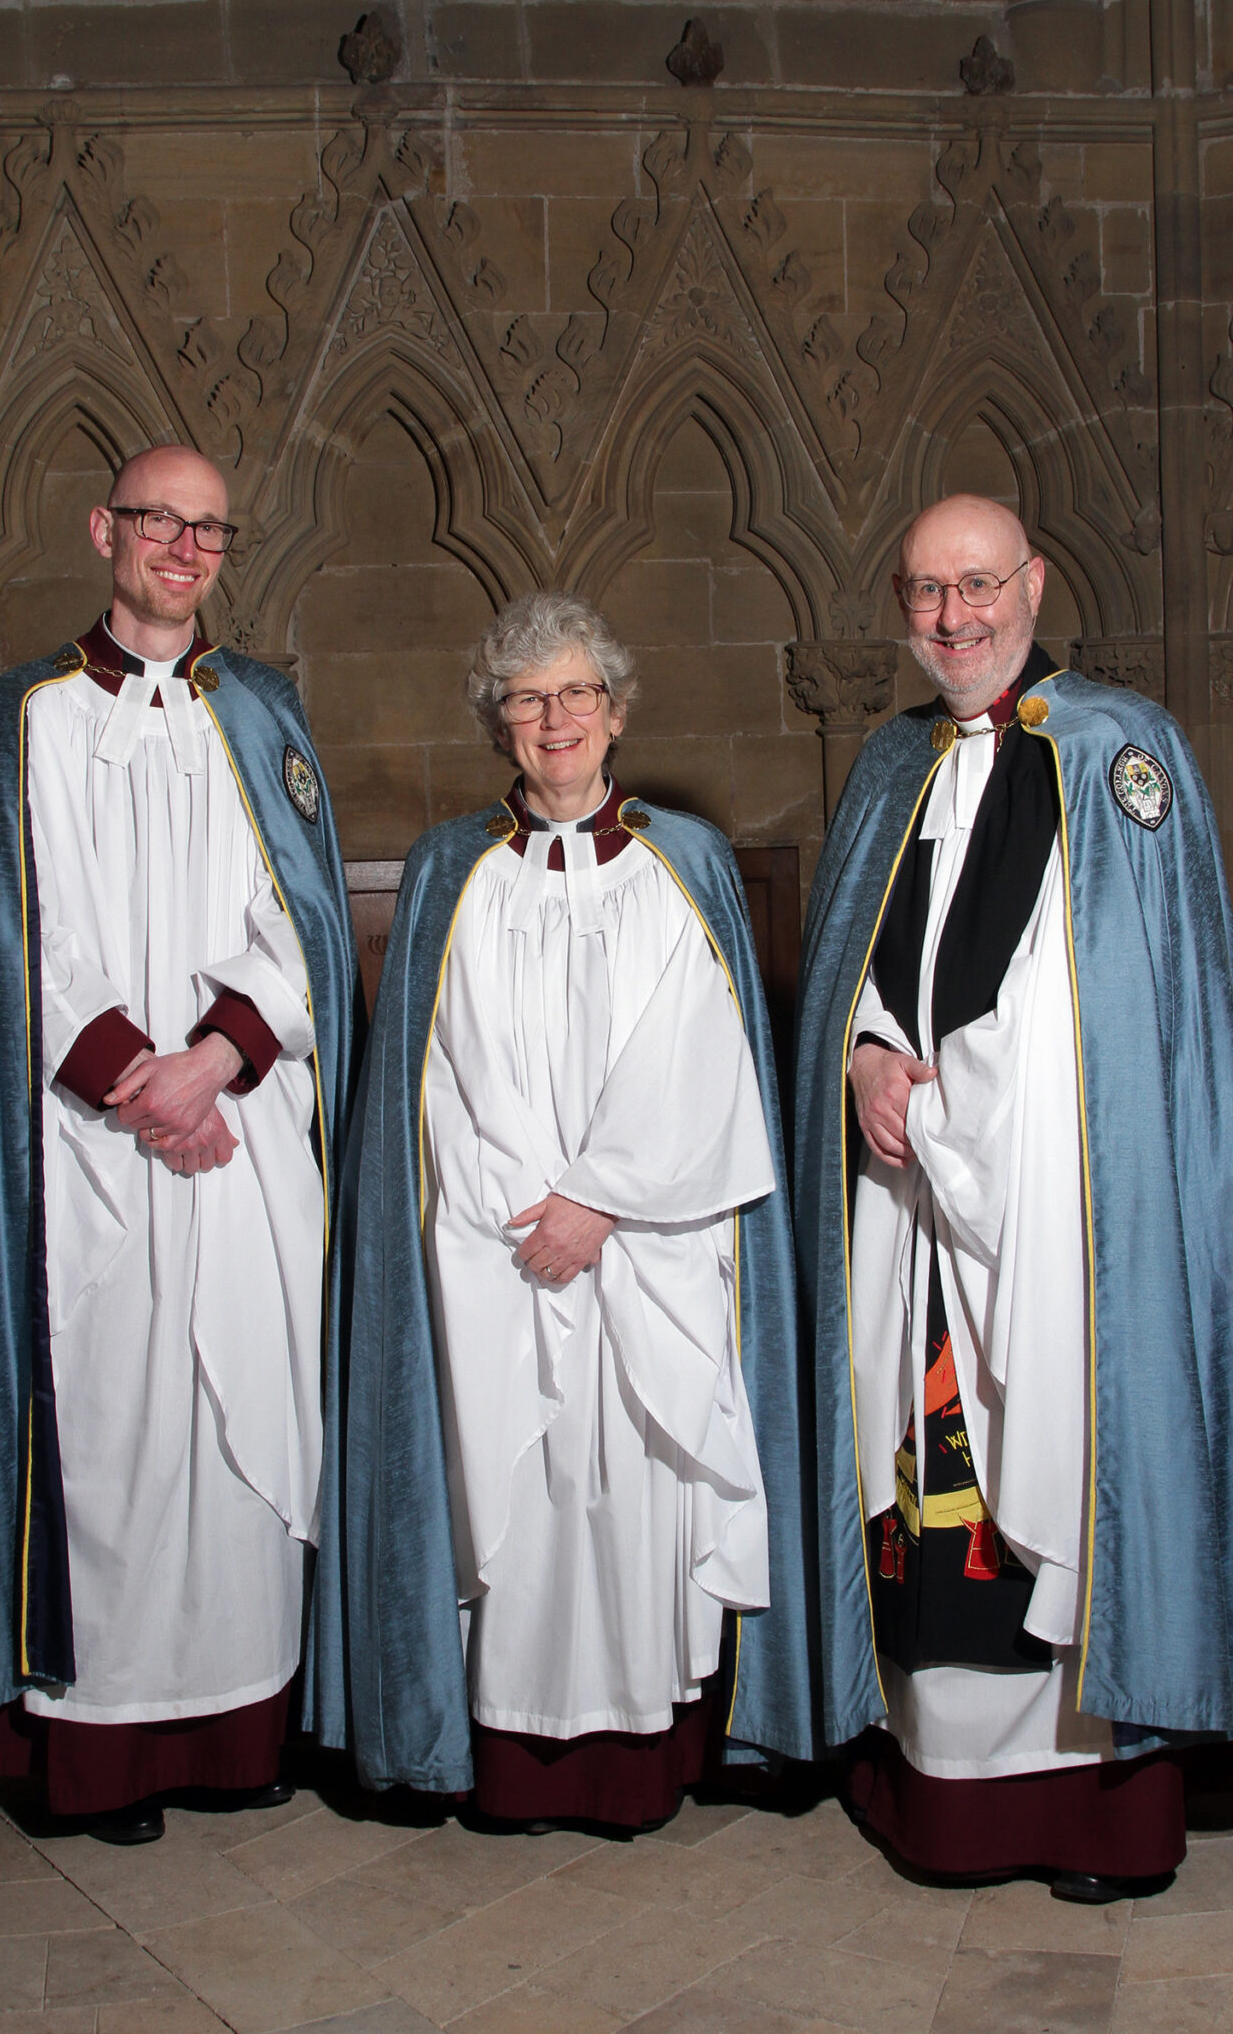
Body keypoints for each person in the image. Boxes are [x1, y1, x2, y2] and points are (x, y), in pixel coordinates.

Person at [793, 494, 1233, 1899]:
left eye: (979, 586)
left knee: (1076, 1478)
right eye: (924, 592)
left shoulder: (1119, 751)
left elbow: (1120, 1021)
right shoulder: (886, 766)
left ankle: (1095, 1815)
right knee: (929, 1499)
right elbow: (852, 978)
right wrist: (859, 1064)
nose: (954, 618)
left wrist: (954, 1102)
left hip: (1063, 1214)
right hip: (913, 1216)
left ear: (1034, 584)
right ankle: (940, 1794)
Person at [0, 444, 359, 1843]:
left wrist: (212, 1066)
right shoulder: (25, 718)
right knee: (117, 1432)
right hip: (84, 1150)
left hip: (242, 1134)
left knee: (244, 1421)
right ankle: (107, 1757)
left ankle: (241, 1727)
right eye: (160, 523)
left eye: (210, 528)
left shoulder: (263, 711)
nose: (185, 549)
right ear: (105, 532)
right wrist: (137, 1085)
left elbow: (304, 924)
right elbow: (14, 937)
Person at [308, 591, 815, 1827]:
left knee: (639, 1477)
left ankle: (650, 1751)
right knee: (521, 1501)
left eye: (578, 692)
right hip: (498, 1247)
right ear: (498, 722)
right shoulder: (447, 868)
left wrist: (599, 1201)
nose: (556, 718)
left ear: (618, 710)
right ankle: (515, 1759)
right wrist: (526, 1203)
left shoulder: (685, 861)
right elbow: (436, 1074)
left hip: (652, 1245)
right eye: (528, 698)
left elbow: (703, 1054)